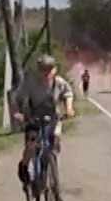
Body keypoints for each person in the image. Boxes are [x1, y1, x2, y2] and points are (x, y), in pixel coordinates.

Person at [11, 55, 75, 187]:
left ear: (55, 70)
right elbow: (17, 98)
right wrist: (17, 112)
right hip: (33, 118)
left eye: (49, 69)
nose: (46, 73)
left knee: (54, 143)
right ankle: (24, 166)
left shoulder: (58, 82)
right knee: (32, 143)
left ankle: (52, 178)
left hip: (52, 118)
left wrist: (69, 108)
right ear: (38, 70)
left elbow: (68, 93)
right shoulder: (30, 82)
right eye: (43, 70)